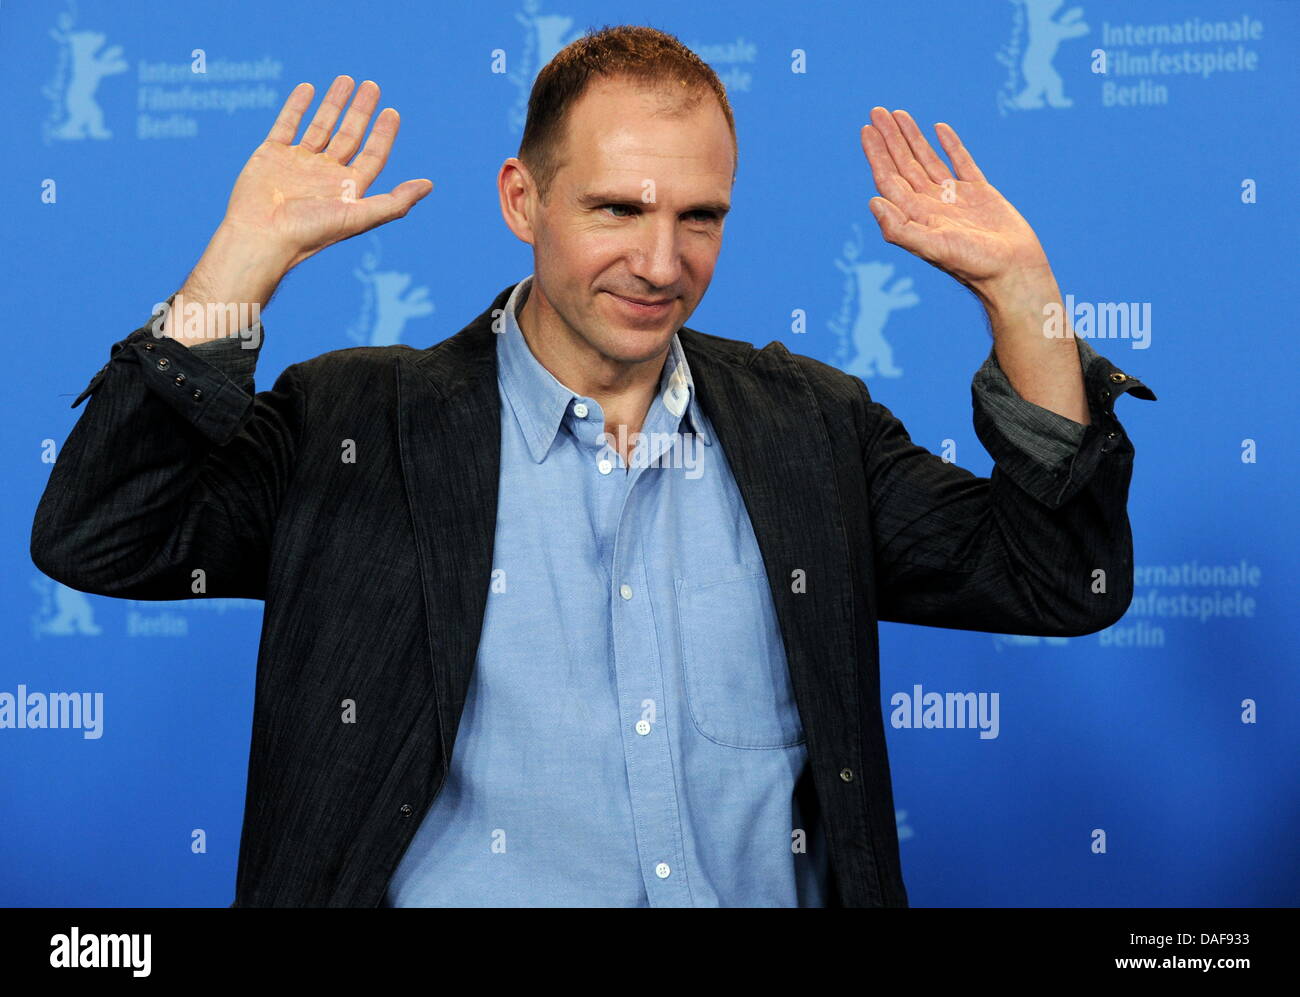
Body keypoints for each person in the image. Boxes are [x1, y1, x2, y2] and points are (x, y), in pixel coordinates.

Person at [31, 25, 1155, 907]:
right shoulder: (355, 419)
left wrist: (1024, 298)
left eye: (699, 217)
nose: (660, 263)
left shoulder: (811, 427)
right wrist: (240, 265)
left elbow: (1060, 582)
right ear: (522, 198)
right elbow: (102, 533)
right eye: (617, 209)